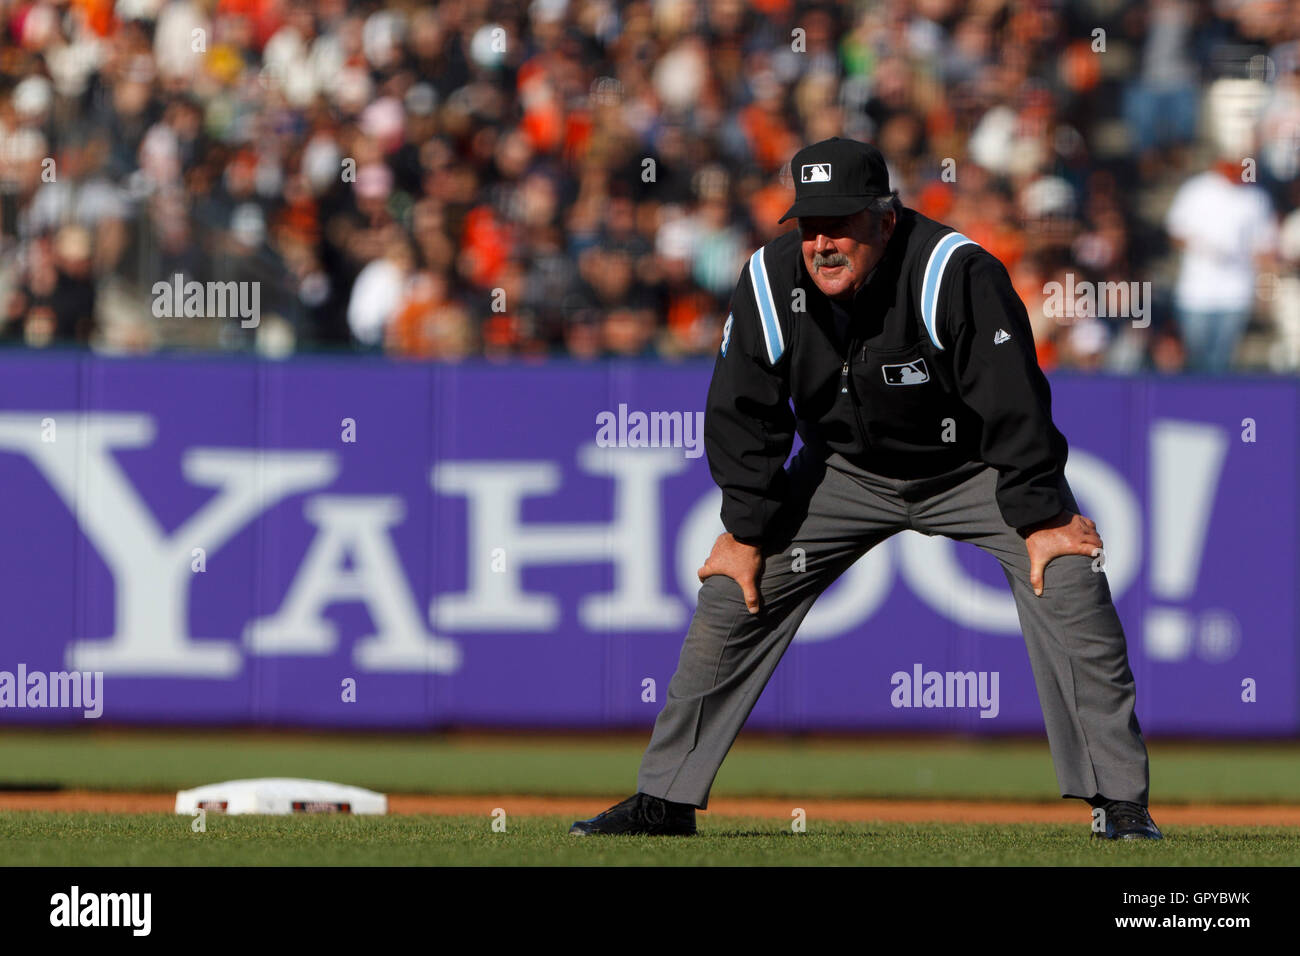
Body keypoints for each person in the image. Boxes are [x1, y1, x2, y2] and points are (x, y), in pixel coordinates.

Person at [570, 138, 1160, 840]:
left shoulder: (954, 271)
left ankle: (1118, 804)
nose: (823, 242)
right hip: (842, 473)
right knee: (732, 589)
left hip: (973, 470)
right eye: (811, 225)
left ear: (885, 218)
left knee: (1067, 575)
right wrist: (748, 528)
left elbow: (1015, 405)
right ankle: (664, 801)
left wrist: (1041, 515)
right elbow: (740, 411)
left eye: (842, 223)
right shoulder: (768, 278)